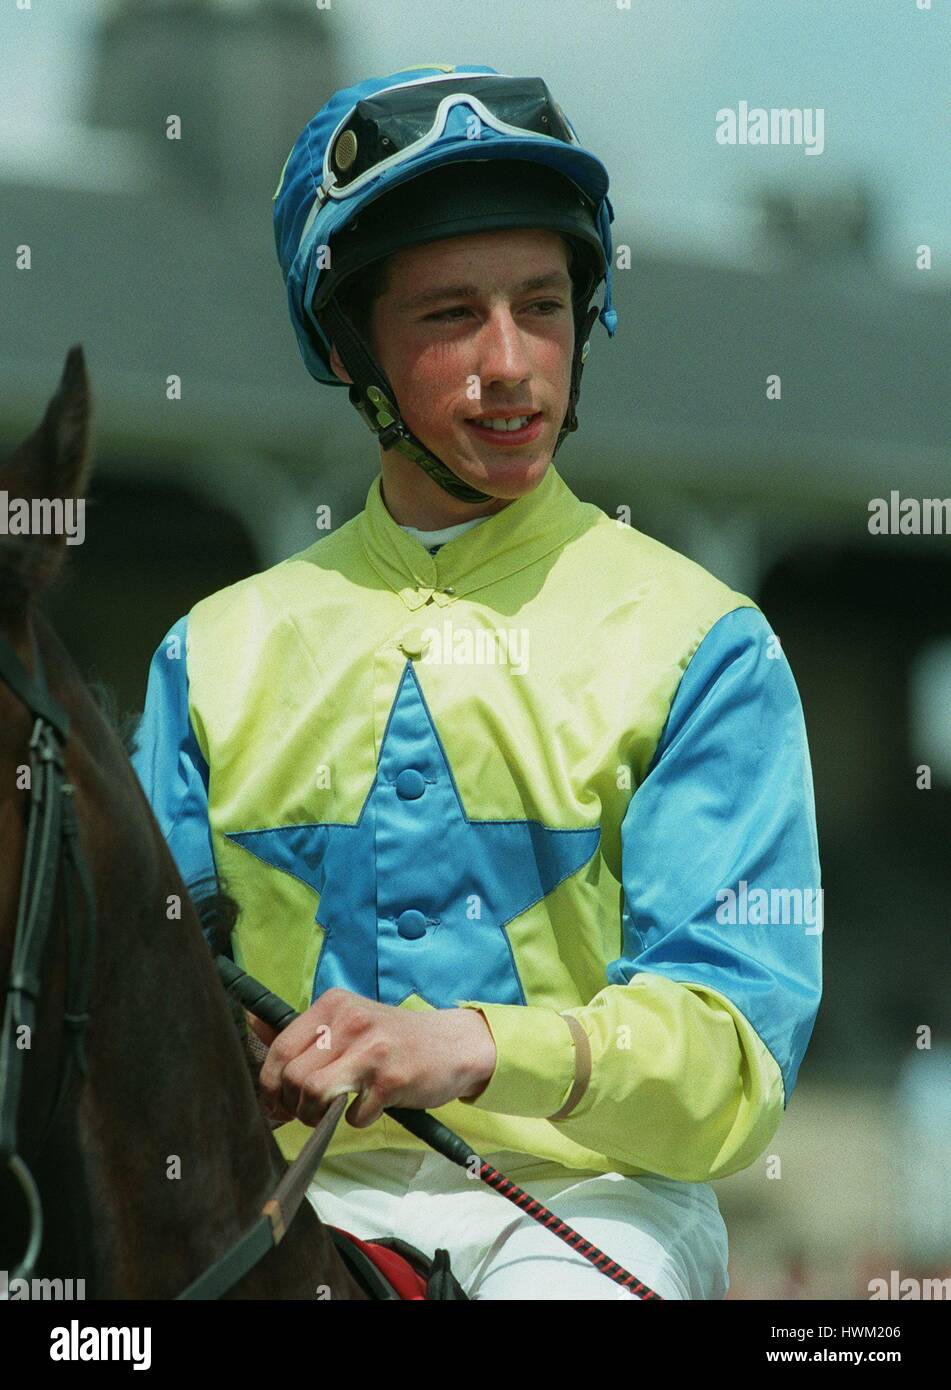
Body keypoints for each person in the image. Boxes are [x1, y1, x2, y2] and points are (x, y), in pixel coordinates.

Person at [131, 64, 822, 1300]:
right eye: (451, 315)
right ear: (353, 348)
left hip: (583, 1204)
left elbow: (732, 1054)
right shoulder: (208, 653)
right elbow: (139, 993)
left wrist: (466, 1046)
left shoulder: (708, 641)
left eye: (543, 306)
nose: (510, 363)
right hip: (272, 1189)